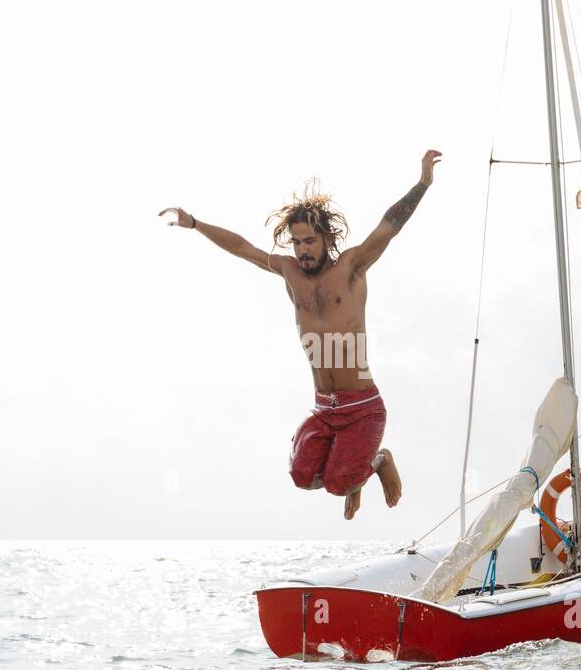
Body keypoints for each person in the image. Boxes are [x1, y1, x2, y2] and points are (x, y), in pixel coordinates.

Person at [159, 149, 441, 519]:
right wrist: (195, 223)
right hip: (324, 408)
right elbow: (241, 247)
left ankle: (375, 463)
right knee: (302, 476)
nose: (303, 250)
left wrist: (422, 184)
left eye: (310, 241)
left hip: (361, 408)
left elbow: (389, 225)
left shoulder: (352, 267)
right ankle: (353, 476)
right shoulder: (288, 271)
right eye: (296, 242)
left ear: (326, 238)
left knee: (338, 482)